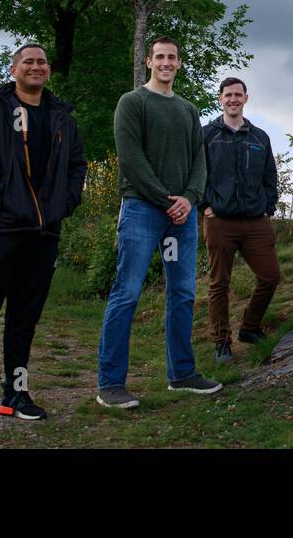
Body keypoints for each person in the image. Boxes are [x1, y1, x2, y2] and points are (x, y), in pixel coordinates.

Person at [0, 44, 87, 426]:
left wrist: (66, 202)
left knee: (24, 319)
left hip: (43, 234)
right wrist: (8, 201)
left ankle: (15, 393)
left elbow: (77, 164)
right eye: (27, 61)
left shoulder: (61, 116)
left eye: (42, 61)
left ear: (49, 70)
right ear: (13, 69)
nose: (36, 66)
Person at [97, 35, 220, 408]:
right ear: (149, 61)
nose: (166, 62)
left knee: (182, 294)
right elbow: (130, 158)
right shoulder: (132, 103)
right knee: (127, 292)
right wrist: (164, 199)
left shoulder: (187, 109)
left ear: (179, 64)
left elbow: (199, 160)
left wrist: (189, 198)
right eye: (160, 57)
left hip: (181, 215)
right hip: (142, 210)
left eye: (173, 57)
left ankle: (181, 373)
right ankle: (110, 383)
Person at [201, 77, 281, 365]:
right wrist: (204, 206)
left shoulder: (259, 137)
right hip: (220, 220)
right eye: (228, 95)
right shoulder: (207, 134)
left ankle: (249, 328)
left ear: (246, 98)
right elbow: (196, 173)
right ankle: (222, 342)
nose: (233, 99)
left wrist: (267, 207)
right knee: (219, 283)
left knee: (271, 276)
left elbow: (270, 176)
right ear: (220, 99)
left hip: (255, 221)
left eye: (238, 95)